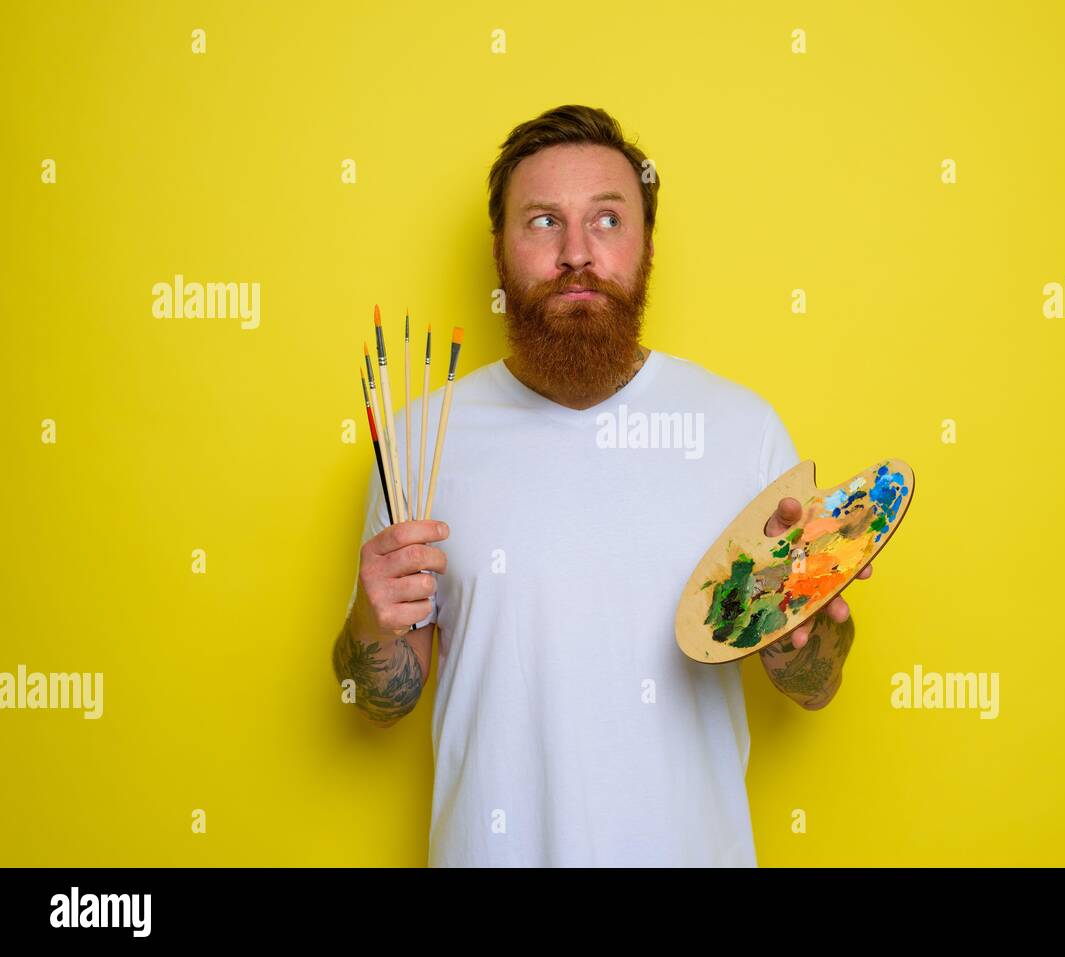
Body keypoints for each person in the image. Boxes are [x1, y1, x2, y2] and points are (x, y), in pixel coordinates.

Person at [333, 104, 871, 867]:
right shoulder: (423, 442)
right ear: (500, 249)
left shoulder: (741, 428)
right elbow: (384, 700)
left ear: (647, 244)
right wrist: (366, 622)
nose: (577, 253)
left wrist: (801, 642)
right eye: (544, 221)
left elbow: (816, 687)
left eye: (608, 220)